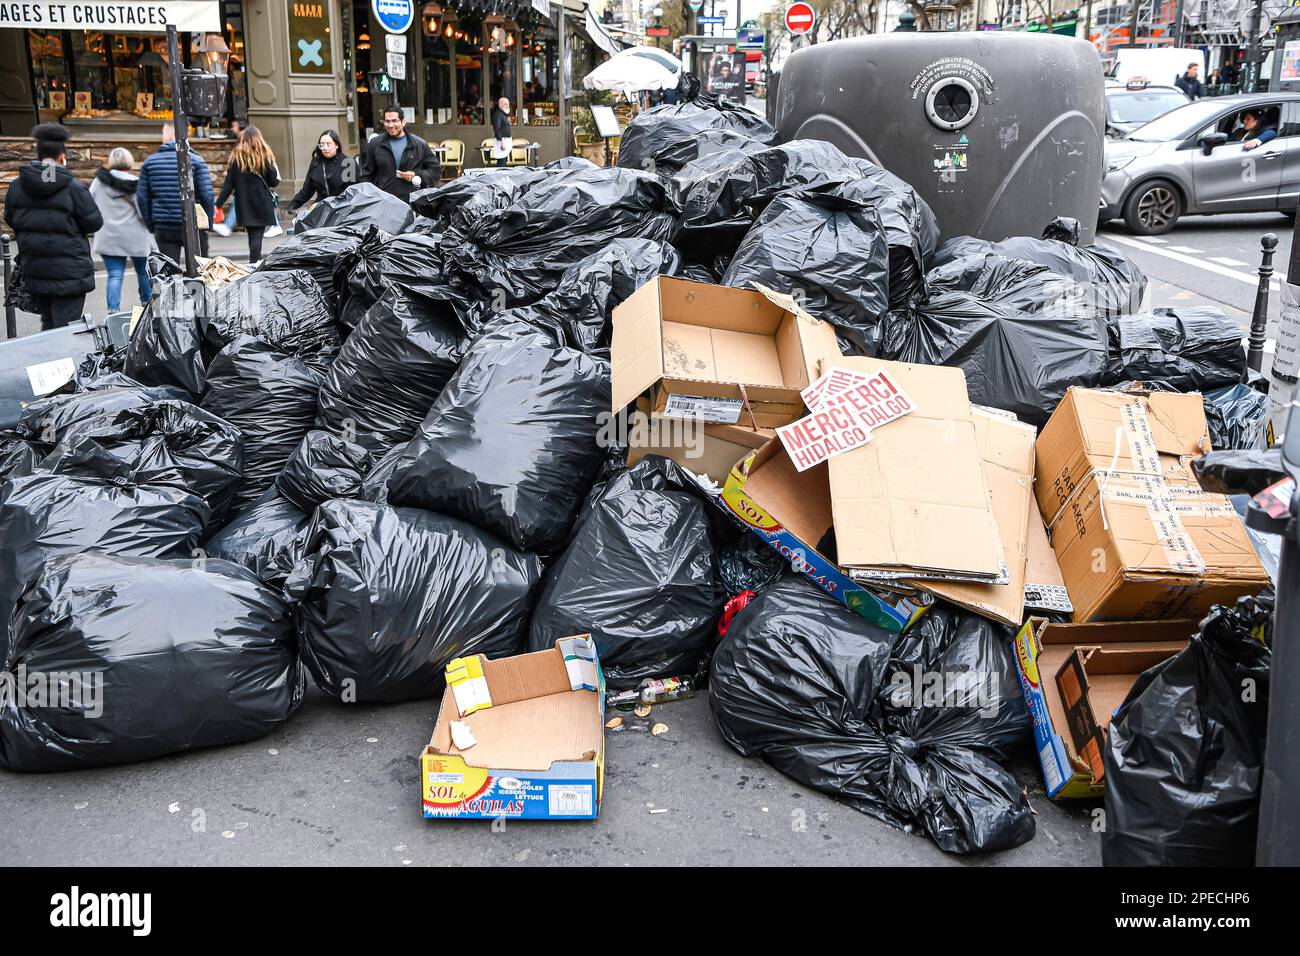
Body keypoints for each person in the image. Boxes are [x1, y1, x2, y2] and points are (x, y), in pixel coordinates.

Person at [3, 123, 102, 330]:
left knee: (48, 326)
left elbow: (11, 220)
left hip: (36, 270)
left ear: (38, 156)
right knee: (67, 331)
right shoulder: (73, 189)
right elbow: (94, 222)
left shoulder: (16, 188)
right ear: (62, 158)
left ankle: (47, 362)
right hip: (69, 274)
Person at [138, 121, 215, 266]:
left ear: (168, 134)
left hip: (164, 225)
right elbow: (207, 195)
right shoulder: (197, 161)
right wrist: (208, 223)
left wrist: (151, 224)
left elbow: (142, 198)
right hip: (193, 225)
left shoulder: (150, 163)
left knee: (169, 273)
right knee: (201, 271)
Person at [89, 147, 152, 313]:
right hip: (135, 236)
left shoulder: (99, 181)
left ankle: (113, 311)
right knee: (143, 273)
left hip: (108, 234)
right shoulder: (134, 183)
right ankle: (147, 304)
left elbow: (90, 204)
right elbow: (142, 211)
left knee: (115, 274)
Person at [215, 125, 281, 264]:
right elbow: (274, 182)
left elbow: (228, 185)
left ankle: (253, 263)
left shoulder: (236, 158)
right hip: (262, 203)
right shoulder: (266, 157)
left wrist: (218, 204)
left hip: (244, 204)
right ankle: (254, 263)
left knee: (252, 237)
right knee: (257, 237)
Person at [360, 106, 438, 200]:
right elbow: (367, 175)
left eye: (394, 121)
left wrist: (416, 174)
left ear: (403, 121)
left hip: (412, 201)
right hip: (384, 201)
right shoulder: (375, 144)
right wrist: (372, 197)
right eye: (387, 121)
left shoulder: (419, 145)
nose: (390, 125)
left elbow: (435, 172)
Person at [287, 129, 356, 213]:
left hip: (342, 208)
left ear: (336, 145)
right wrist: (294, 204)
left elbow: (355, 191)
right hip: (321, 207)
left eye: (328, 144)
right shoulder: (316, 163)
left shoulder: (348, 163)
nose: (325, 148)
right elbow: (308, 189)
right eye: (322, 145)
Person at [490, 97, 512, 168]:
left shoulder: (503, 114)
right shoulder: (498, 115)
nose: (507, 105)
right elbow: (497, 130)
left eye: (508, 104)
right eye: (505, 104)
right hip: (501, 141)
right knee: (501, 163)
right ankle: (499, 178)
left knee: (503, 161)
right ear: (500, 105)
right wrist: (502, 142)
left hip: (505, 140)